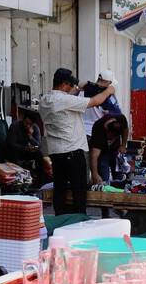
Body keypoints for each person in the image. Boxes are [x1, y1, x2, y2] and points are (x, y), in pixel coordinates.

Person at [37, 67, 115, 215]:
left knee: (59, 191)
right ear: (64, 84)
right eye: (71, 85)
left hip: (56, 153)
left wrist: (80, 87)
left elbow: (67, 98)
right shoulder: (65, 100)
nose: (73, 87)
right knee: (79, 192)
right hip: (73, 152)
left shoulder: (45, 100)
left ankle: (60, 221)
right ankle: (78, 221)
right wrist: (108, 91)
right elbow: (94, 101)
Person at [4, 105, 47, 179]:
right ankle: (17, 177)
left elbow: (39, 145)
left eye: (30, 124)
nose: (27, 125)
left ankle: (40, 179)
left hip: (26, 151)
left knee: (39, 154)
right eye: (26, 123)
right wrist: (25, 148)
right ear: (23, 120)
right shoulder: (15, 126)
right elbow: (11, 144)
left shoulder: (35, 128)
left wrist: (30, 137)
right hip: (16, 151)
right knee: (13, 153)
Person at [81, 70, 124, 136]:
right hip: (96, 133)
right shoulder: (107, 96)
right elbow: (118, 115)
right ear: (108, 82)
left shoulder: (83, 89)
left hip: (81, 131)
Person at [89, 113, 127, 186]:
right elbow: (94, 155)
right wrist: (95, 174)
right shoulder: (98, 129)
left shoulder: (121, 119)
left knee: (119, 178)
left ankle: (119, 187)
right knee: (104, 179)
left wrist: (123, 145)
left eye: (115, 137)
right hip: (103, 152)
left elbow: (126, 129)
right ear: (107, 131)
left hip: (115, 150)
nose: (112, 139)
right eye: (111, 137)